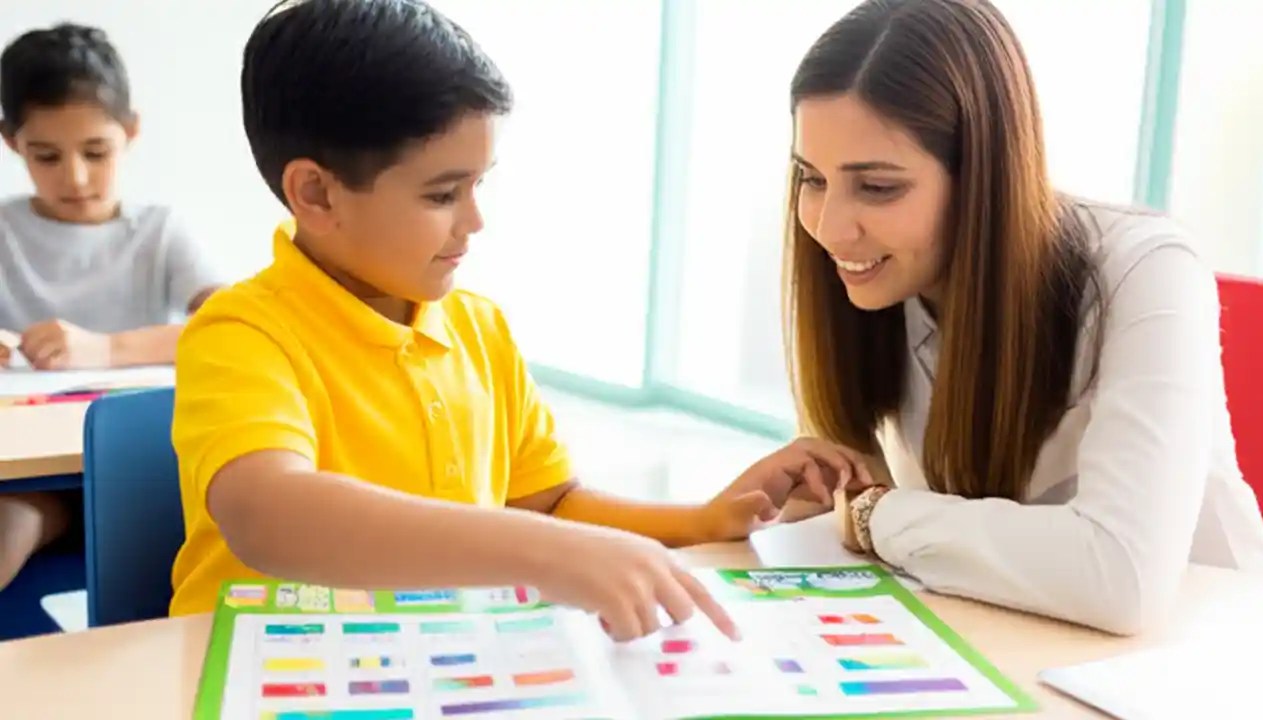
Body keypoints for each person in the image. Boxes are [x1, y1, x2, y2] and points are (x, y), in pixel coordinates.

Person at [169, 0, 856, 641]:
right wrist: (547, 553)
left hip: (439, 658)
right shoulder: (243, 334)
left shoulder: (477, 328)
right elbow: (269, 514)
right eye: (442, 194)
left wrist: (704, 519)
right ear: (316, 193)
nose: (474, 220)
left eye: (478, 184)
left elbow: (550, 505)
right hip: (257, 666)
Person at [776, 0, 1263, 635]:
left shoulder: (1150, 269)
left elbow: (1120, 577)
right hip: (1013, 644)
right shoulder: (882, 282)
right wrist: (811, 502)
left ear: (983, 176)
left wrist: (877, 513)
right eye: (812, 178)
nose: (828, 228)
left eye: (877, 187)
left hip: (1207, 654)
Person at [0, 23, 222, 592]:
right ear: (11, 143)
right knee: (18, 514)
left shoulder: (158, 231)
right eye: (46, 156)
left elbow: (230, 327)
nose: (75, 177)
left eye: (95, 152)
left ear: (130, 132)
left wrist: (101, 349)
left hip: (141, 460)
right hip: (27, 474)